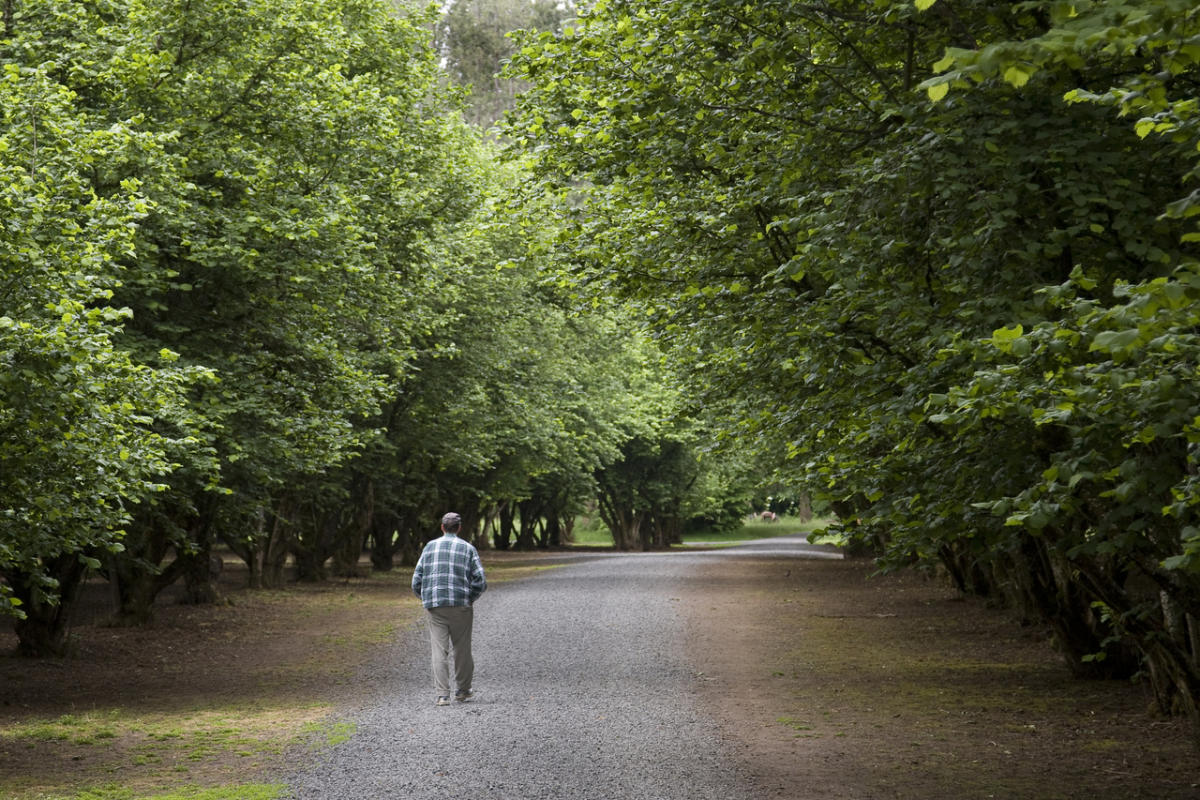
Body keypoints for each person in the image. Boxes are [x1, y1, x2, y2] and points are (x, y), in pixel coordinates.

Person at [411, 511, 487, 706]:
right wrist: (470, 598)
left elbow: (416, 580)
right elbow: (480, 580)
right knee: (462, 648)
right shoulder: (467, 548)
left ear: (442, 527)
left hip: (435, 606)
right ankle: (462, 690)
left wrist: (427, 598)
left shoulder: (429, 547)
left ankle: (442, 695)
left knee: (438, 649)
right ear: (459, 528)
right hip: (461, 604)